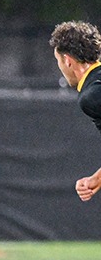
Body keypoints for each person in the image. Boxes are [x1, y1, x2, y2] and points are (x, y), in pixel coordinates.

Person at [49, 20, 101, 202]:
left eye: (58, 61)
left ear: (68, 61)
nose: (60, 68)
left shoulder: (92, 96)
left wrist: (97, 178)